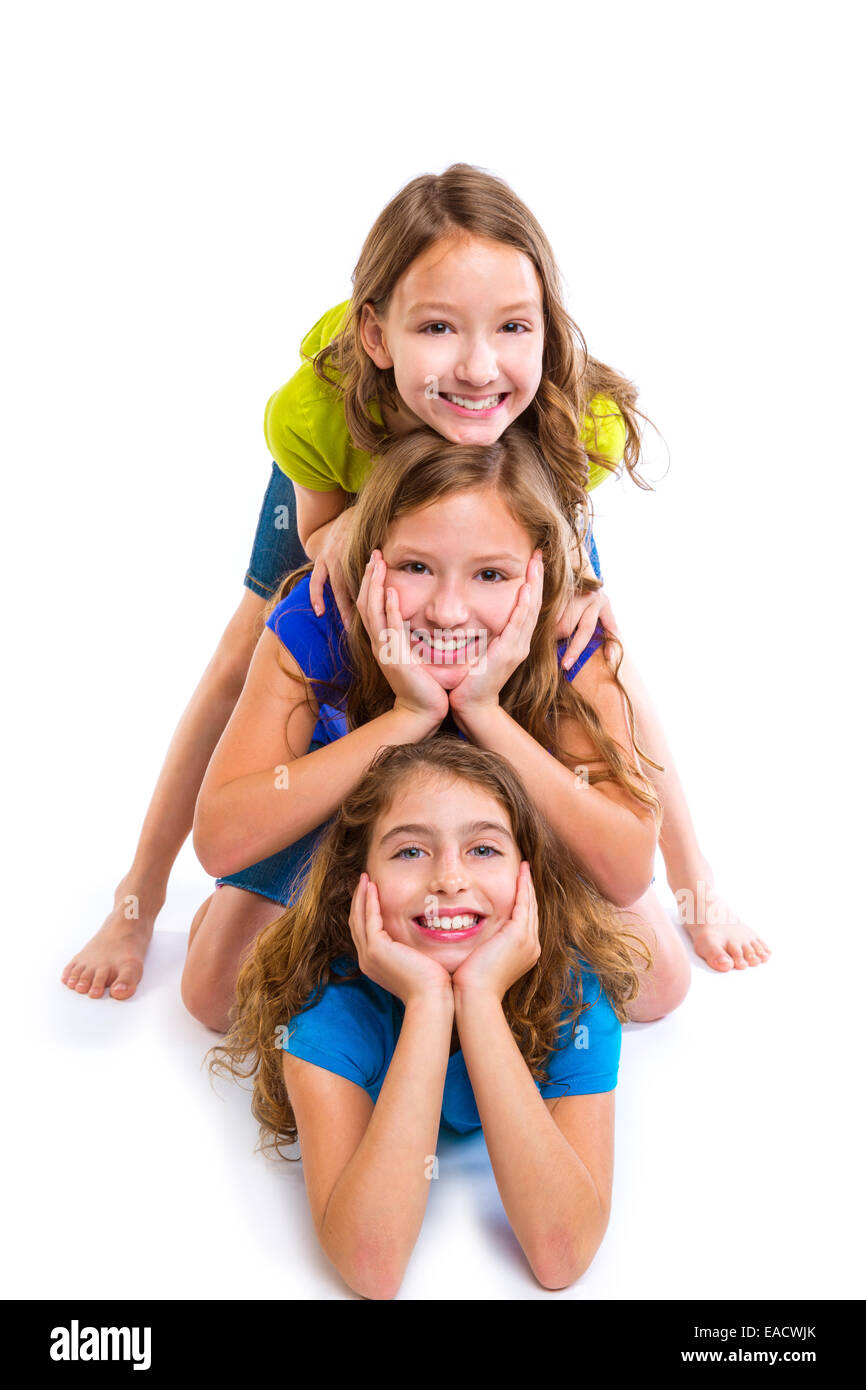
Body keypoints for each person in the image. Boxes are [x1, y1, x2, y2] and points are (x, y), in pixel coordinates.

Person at [62, 163, 767, 1003]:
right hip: (352, 503)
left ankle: (692, 881)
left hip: (516, 485)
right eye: (436, 328)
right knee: (244, 654)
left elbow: (555, 540)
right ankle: (136, 901)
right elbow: (322, 530)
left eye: (512, 327)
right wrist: (347, 544)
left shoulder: (578, 418)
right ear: (376, 337)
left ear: (546, 329)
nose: (476, 367)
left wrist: (573, 582)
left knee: (595, 648)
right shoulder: (318, 411)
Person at [185, 425, 688, 1033]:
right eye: (416, 567)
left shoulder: (571, 633)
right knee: (217, 996)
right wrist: (406, 719)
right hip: (348, 811)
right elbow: (217, 835)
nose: (448, 611)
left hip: (497, 819)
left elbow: (629, 866)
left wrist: (486, 714)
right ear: (368, 557)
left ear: (540, 574)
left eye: (492, 576)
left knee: (657, 983)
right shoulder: (317, 618)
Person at [207, 737, 650, 1298]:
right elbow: (372, 1267)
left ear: (526, 879)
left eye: (484, 850)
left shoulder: (576, 995)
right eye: (410, 852)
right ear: (356, 884)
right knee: (208, 985)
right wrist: (428, 1002)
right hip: (325, 935)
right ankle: (224, 897)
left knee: (655, 964)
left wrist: (481, 998)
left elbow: (561, 1255)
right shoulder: (329, 1008)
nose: (448, 878)